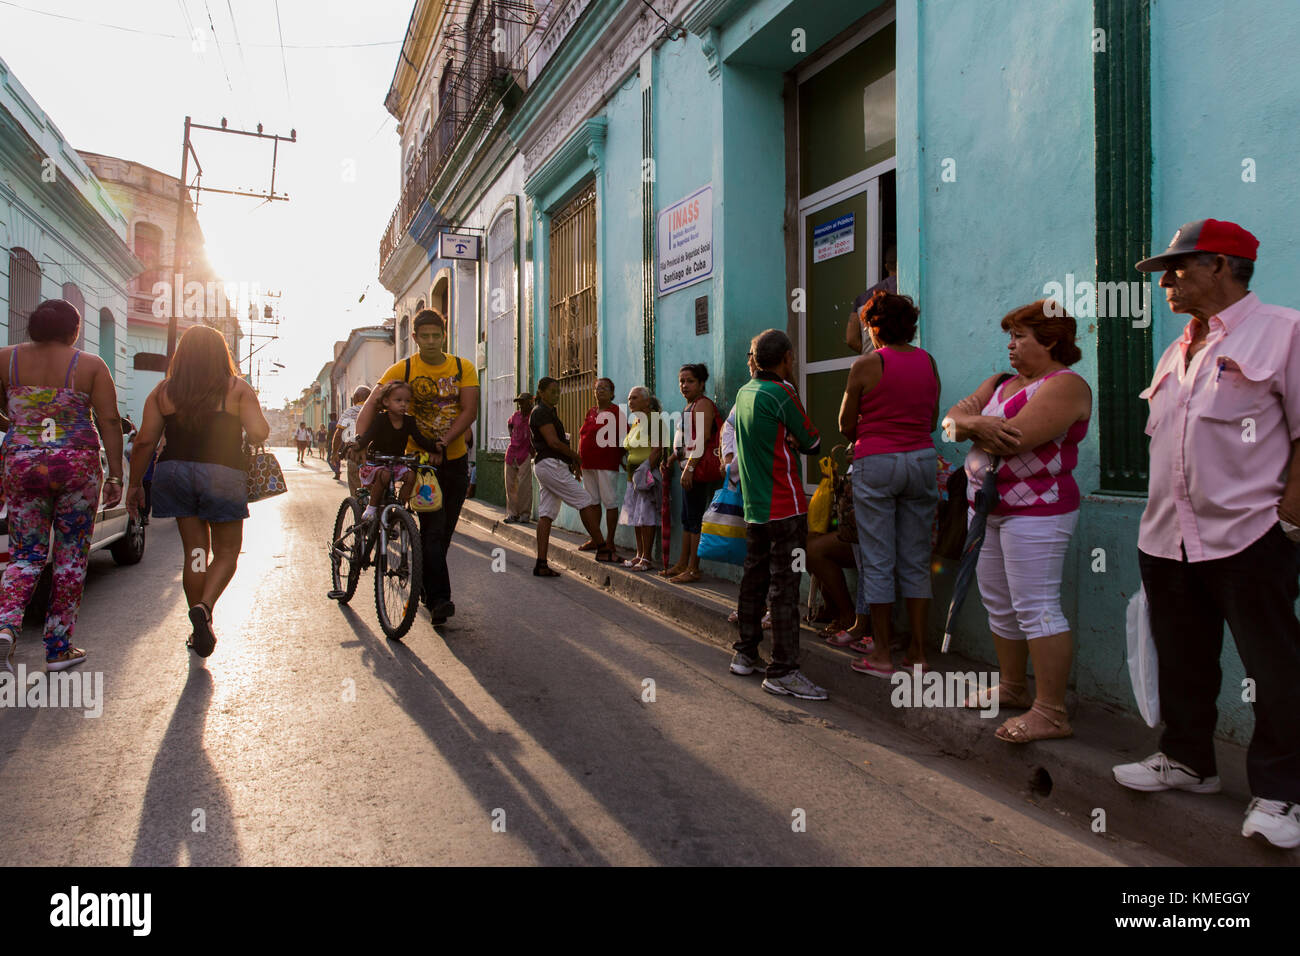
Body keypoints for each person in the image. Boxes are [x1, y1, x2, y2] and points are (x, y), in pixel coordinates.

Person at [1113, 219, 1300, 849]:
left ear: (1220, 266)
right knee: (1185, 661)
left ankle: (1282, 794)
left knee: (1274, 668)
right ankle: (1188, 763)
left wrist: (1291, 520)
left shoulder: (1285, 331)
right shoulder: (1176, 350)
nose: (1166, 281)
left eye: (1178, 268)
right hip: (1168, 539)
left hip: (1251, 535)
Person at [943, 300, 1091, 741]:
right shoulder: (1000, 383)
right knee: (999, 602)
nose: (1010, 345)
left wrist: (974, 424)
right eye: (1010, 335)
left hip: (1039, 511)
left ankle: (1050, 711)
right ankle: (1011, 687)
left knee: (1036, 607)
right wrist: (974, 425)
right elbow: (949, 423)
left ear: (1050, 340)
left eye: (1020, 336)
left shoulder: (1066, 385)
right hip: (987, 511)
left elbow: (1016, 438)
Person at [126, 324, 269, 658]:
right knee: (228, 550)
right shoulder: (236, 388)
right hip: (222, 472)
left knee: (196, 551)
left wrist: (134, 485)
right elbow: (259, 432)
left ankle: (198, 626)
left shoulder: (163, 391)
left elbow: (145, 440)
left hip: (174, 472)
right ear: (222, 355)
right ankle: (204, 608)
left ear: (183, 356)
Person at [0, 299, 123, 672]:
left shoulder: (5, 359)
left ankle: (5, 626)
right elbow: (111, 421)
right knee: (70, 559)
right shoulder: (90, 365)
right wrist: (116, 474)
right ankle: (57, 649)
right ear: (74, 330)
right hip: (76, 467)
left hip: (22, 464)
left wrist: (19, 428)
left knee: (26, 555)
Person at [838, 291, 941, 678]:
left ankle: (881, 655)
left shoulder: (866, 365)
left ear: (872, 326)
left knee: (879, 559)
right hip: (921, 461)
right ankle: (917, 655)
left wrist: (873, 428)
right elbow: (931, 421)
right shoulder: (928, 362)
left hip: (876, 463)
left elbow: (845, 425)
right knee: (916, 560)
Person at [355, 309, 477, 626]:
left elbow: (469, 411)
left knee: (445, 534)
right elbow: (371, 405)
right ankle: (440, 601)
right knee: (433, 531)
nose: (432, 341)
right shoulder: (404, 368)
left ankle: (424, 586)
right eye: (425, 336)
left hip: (456, 460)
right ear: (415, 338)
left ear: (444, 334)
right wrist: (361, 442)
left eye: (437, 335)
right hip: (420, 463)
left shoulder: (463, 367)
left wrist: (444, 441)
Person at [731, 329, 825, 699]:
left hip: (755, 508)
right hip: (785, 507)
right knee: (784, 588)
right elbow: (813, 442)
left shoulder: (745, 392)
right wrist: (792, 437)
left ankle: (746, 653)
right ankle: (783, 669)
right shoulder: (782, 392)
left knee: (753, 580)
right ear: (786, 357)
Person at [529, 376, 616, 575]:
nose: (556, 394)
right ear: (541, 392)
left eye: (558, 391)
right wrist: (576, 458)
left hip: (549, 465)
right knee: (584, 500)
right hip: (550, 464)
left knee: (546, 513)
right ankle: (603, 548)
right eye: (552, 391)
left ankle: (541, 563)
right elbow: (553, 442)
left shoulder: (549, 411)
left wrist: (569, 461)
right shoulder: (541, 412)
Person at [659, 363, 722, 583]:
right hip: (687, 467)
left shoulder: (703, 404)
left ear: (702, 383)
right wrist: (672, 458)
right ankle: (682, 563)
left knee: (695, 520)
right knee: (688, 519)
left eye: (690, 381)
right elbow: (685, 440)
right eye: (682, 381)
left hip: (696, 470)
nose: (684, 385)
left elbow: (703, 438)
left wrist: (690, 468)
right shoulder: (689, 406)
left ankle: (694, 569)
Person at [353, 381, 440, 520]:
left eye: (407, 401)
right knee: (385, 475)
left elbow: (420, 439)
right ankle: (372, 507)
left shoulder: (409, 421)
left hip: (397, 463)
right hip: (376, 463)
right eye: (398, 400)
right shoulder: (381, 418)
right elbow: (368, 436)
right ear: (386, 401)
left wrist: (435, 446)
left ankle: (399, 507)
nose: (403, 404)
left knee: (411, 476)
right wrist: (358, 444)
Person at [578, 377, 625, 552]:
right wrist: (578, 459)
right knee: (592, 502)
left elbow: (624, 438)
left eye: (605, 388)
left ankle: (610, 541)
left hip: (606, 464)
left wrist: (620, 457)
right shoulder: (591, 412)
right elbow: (582, 436)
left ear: (612, 393)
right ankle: (596, 539)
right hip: (587, 464)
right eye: (597, 388)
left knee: (610, 502)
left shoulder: (616, 412)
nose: (600, 390)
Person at [618, 386, 663, 570]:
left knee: (646, 516)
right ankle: (638, 554)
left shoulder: (654, 419)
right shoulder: (637, 421)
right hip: (632, 477)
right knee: (636, 517)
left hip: (646, 476)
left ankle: (647, 557)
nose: (631, 402)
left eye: (635, 398)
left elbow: (658, 448)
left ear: (647, 401)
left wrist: (645, 469)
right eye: (629, 399)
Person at [845, 244, 898, 354]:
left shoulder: (862, 299)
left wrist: (871, 353)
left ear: (887, 267)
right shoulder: (908, 290)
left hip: (873, 362)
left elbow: (851, 339)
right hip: (902, 362)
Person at [334, 386, 371, 496]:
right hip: (374, 458)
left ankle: (358, 509)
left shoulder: (349, 412)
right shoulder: (376, 411)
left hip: (354, 456)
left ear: (356, 398)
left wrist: (334, 452)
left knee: (356, 492)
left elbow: (339, 434)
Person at [503, 391, 534, 523]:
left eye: (523, 403)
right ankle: (512, 513)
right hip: (511, 453)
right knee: (510, 485)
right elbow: (509, 424)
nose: (521, 406)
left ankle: (525, 514)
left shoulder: (533, 416)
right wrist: (512, 435)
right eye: (519, 403)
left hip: (525, 453)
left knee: (524, 485)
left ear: (530, 403)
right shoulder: (516, 416)